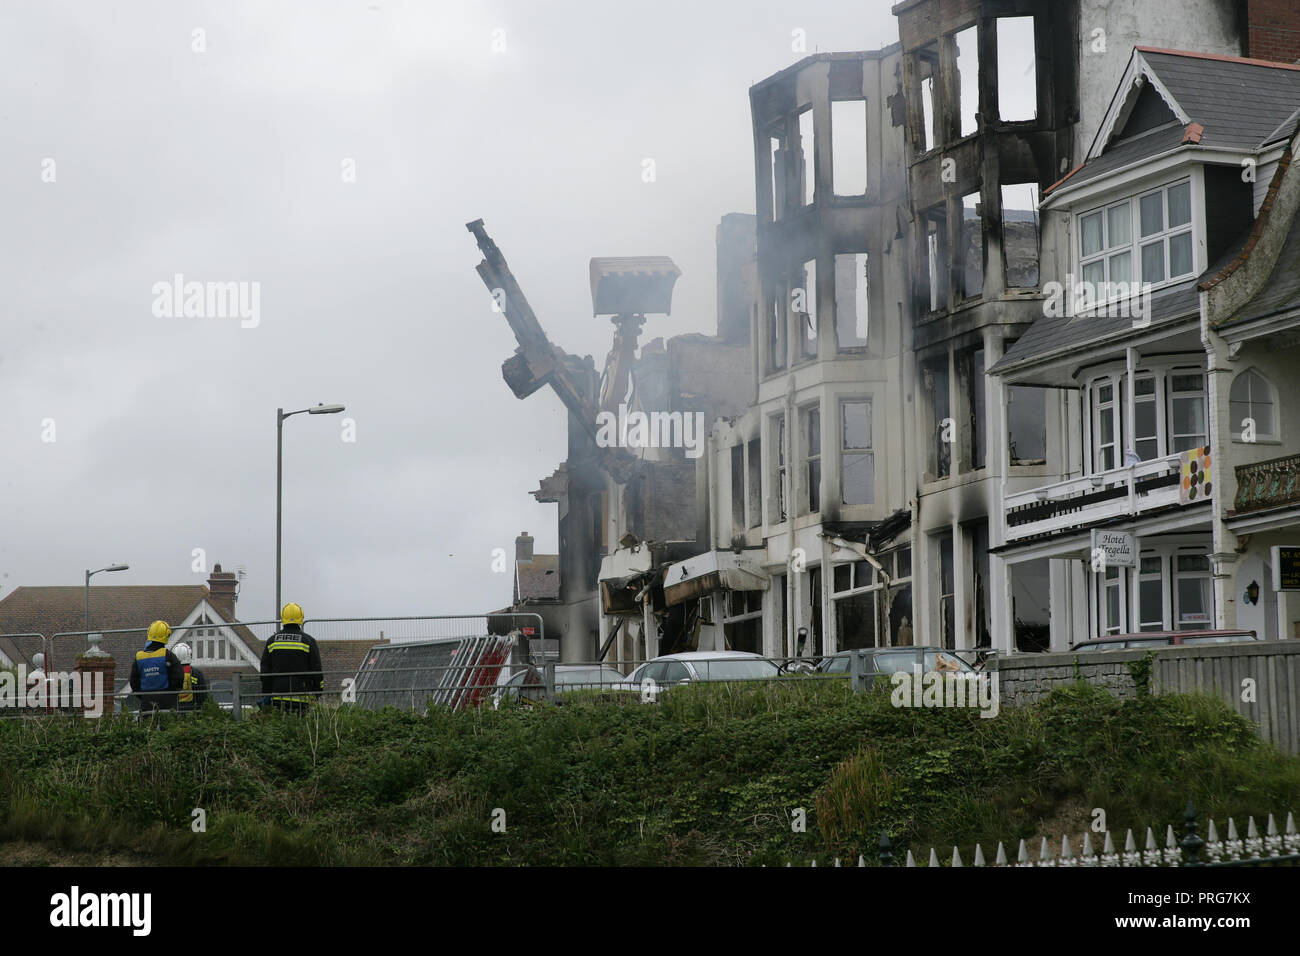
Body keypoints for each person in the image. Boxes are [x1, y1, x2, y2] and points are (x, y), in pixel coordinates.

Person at [260, 602, 323, 715]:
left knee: (279, 726)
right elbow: (316, 670)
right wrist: (318, 692)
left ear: (283, 618)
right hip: (302, 696)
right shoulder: (308, 641)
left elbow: (265, 670)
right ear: (301, 618)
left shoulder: (272, 641)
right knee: (300, 728)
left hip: (277, 695)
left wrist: (267, 693)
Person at [129, 620, 183, 713]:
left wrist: (143, 696)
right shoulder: (168, 656)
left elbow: (134, 682)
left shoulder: (139, 657)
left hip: (146, 702)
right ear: (166, 635)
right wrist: (170, 693)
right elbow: (179, 678)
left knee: (147, 726)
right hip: (167, 703)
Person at [171, 642, 209, 713]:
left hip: (175, 712)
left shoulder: (170, 674)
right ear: (189, 655)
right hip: (193, 712)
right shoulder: (197, 673)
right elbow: (203, 696)